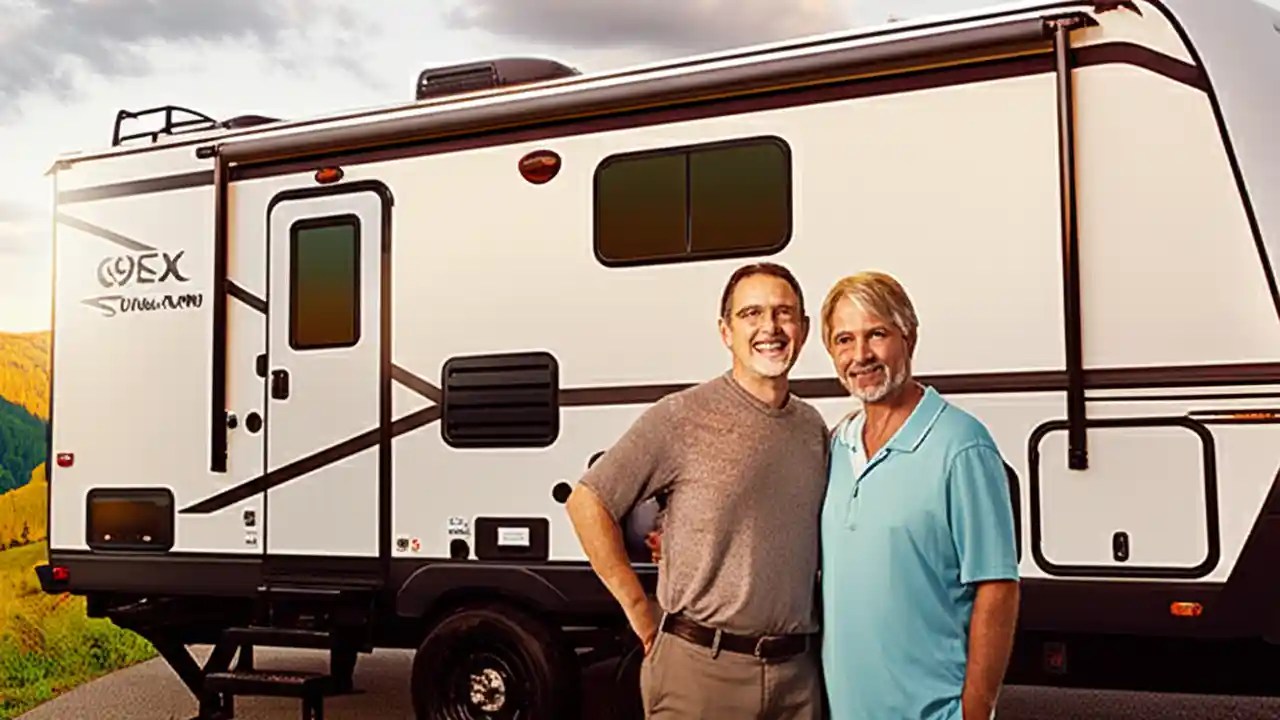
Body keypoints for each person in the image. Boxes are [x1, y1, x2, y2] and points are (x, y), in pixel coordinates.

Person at [565, 262, 830, 719]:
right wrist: (638, 607)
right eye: (751, 313)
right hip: (701, 672)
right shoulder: (681, 417)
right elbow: (587, 502)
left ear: (803, 330)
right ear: (726, 331)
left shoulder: (812, 428)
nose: (770, 327)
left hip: (796, 680)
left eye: (784, 313)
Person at [817, 271, 1021, 720]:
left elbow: (997, 587)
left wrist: (974, 711)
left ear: (908, 337)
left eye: (876, 334)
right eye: (844, 340)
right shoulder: (836, 446)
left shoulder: (962, 445)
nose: (860, 355)